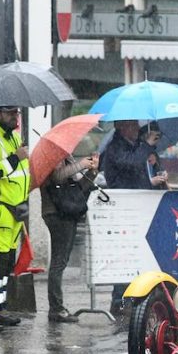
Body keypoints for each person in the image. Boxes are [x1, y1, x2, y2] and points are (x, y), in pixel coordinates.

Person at [101, 119, 163, 316]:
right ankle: (119, 300)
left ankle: (136, 297)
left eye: (136, 125)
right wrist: (147, 146)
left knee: (139, 255)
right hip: (123, 209)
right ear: (120, 127)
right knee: (125, 256)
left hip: (139, 207)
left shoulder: (137, 147)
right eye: (132, 125)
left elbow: (139, 175)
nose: (137, 129)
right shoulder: (115, 148)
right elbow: (130, 164)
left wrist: (154, 167)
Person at [0, 105, 30, 327]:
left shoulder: (13, 137)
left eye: (16, 113)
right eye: (10, 113)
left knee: (8, 259)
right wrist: (15, 158)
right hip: (1, 208)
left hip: (16, 208)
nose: (14, 116)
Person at [42, 153, 99, 323]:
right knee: (59, 262)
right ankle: (56, 308)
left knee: (61, 261)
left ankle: (57, 307)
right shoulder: (51, 157)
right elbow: (57, 177)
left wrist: (92, 172)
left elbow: (77, 189)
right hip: (57, 214)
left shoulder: (66, 159)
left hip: (67, 213)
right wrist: (81, 164)